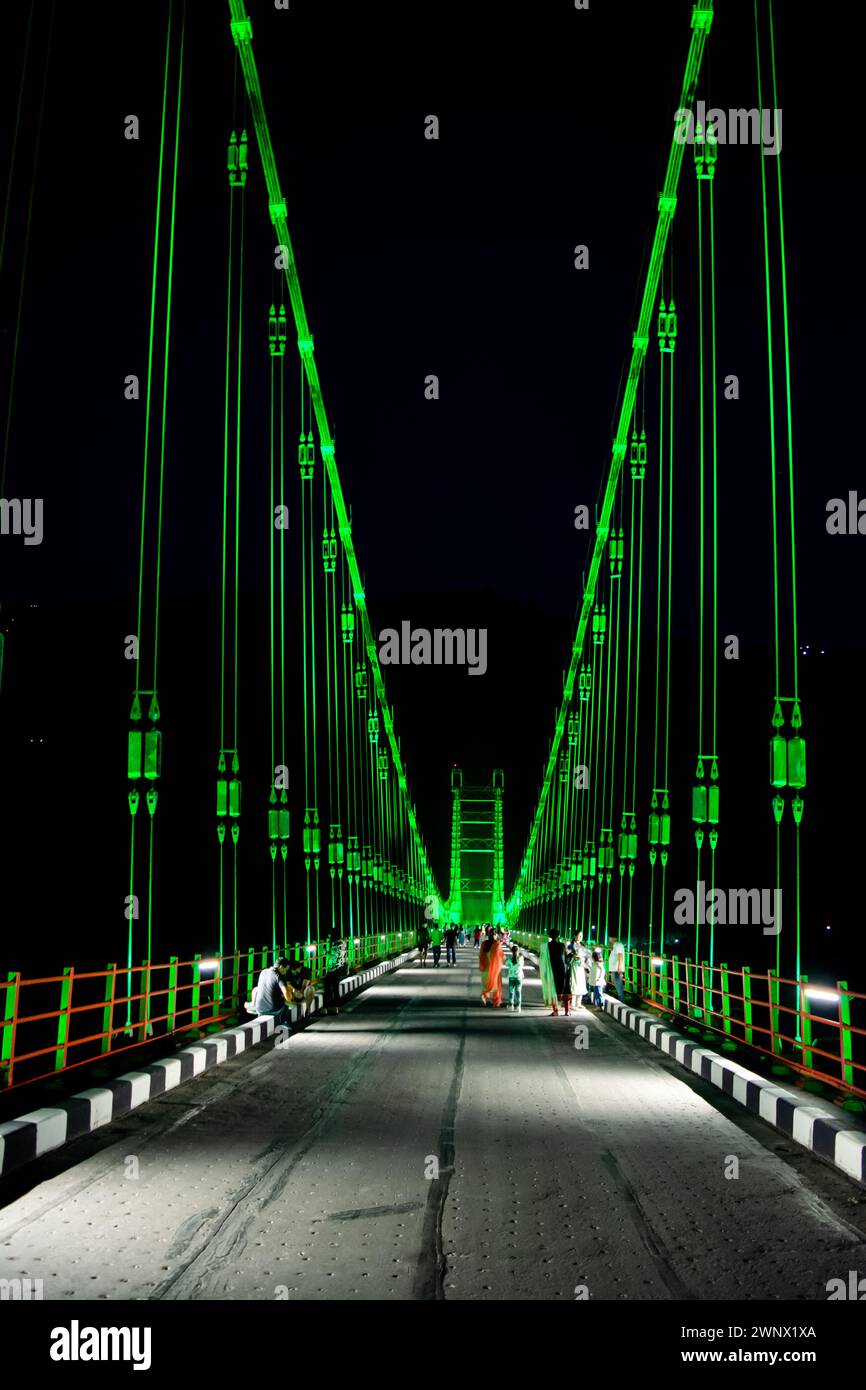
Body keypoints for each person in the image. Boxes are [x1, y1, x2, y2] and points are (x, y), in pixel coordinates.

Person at [253, 955, 292, 1026]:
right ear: (281, 967)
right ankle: (285, 1024)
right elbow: (286, 994)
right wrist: (290, 997)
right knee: (286, 1006)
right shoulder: (278, 975)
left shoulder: (263, 972)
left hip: (259, 1009)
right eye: (286, 969)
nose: (286, 972)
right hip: (273, 1010)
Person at [540, 926, 566, 1015]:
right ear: (558, 935)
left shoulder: (546, 946)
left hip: (551, 968)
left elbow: (542, 959)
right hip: (561, 968)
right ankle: (567, 1010)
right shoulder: (562, 945)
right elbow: (563, 957)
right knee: (561, 988)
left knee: (552, 989)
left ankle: (555, 1011)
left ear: (550, 936)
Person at [323, 934, 348, 1014]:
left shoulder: (335, 944)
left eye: (330, 936)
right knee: (335, 987)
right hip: (340, 968)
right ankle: (336, 1007)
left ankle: (328, 1007)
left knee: (327, 987)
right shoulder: (344, 942)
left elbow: (333, 956)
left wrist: (325, 952)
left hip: (334, 968)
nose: (329, 937)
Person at [480, 927, 504, 1006]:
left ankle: (484, 995)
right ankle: (496, 1002)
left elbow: (480, 955)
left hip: (486, 968)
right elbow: (501, 956)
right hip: (495, 968)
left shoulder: (484, 944)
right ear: (496, 935)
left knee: (486, 984)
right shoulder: (497, 944)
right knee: (496, 985)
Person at [608, 935, 626, 1002]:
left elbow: (620, 956)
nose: (609, 939)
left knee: (618, 985)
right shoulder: (616, 945)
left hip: (616, 969)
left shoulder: (618, 945)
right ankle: (621, 999)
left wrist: (619, 968)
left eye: (610, 938)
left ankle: (622, 1000)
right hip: (615, 968)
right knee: (617, 984)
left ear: (613, 938)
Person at [507, 945, 525, 1012]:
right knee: (518, 991)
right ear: (518, 951)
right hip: (519, 977)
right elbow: (522, 965)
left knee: (511, 992)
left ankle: (511, 1005)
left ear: (511, 951)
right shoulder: (521, 958)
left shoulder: (509, 959)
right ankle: (518, 1006)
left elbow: (507, 964)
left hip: (511, 977)